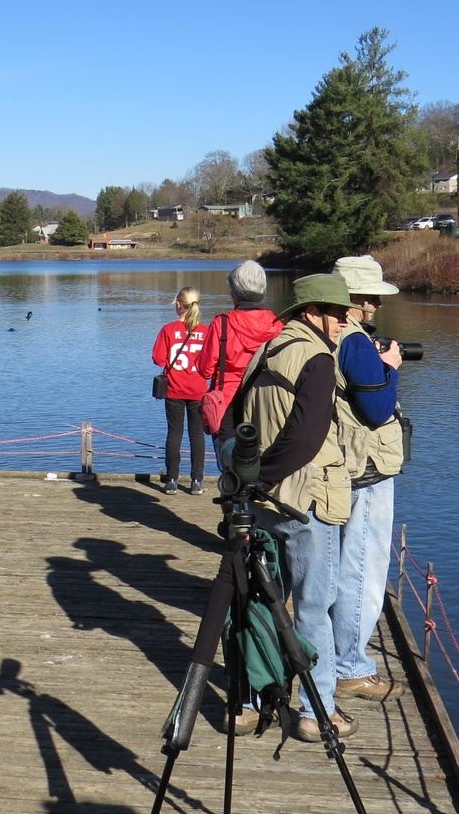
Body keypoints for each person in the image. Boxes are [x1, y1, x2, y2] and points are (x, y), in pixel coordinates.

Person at [233, 273, 358, 742]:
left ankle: (250, 704)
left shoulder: (265, 351)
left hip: (261, 503)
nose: (345, 322)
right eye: (338, 313)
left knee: (261, 603)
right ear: (312, 314)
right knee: (313, 607)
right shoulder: (319, 357)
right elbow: (306, 438)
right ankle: (316, 710)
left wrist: (252, 478)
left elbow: (233, 418)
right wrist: (270, 475)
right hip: (306, 502)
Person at [330, 255, 407, 702]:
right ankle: (351, 667)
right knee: (363, 566)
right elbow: (377, 410)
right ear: (353, 300)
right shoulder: (356, 342)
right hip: (368, 470)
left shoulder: (329, 333)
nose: (377, 304)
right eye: (370, 296)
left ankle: (337, 657)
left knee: (343, 562)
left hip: (343, 466)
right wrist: (391, 366)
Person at [196, 261, 283, 455]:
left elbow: (205, 369)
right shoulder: (277, 324)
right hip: (264, 400)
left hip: (226, 403)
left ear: (234, 292)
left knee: (230, 464)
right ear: (262, 290)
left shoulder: (222, 323)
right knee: (262, 460)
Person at [151, 287, 209, 494]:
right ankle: (196, 482)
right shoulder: (205, 331)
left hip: (174, 389)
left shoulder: (168, 330)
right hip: (198, 390)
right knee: (197, 436)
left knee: (174, 434)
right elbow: (211, 365)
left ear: (178, 305)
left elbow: (158, 358)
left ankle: (172, 480)